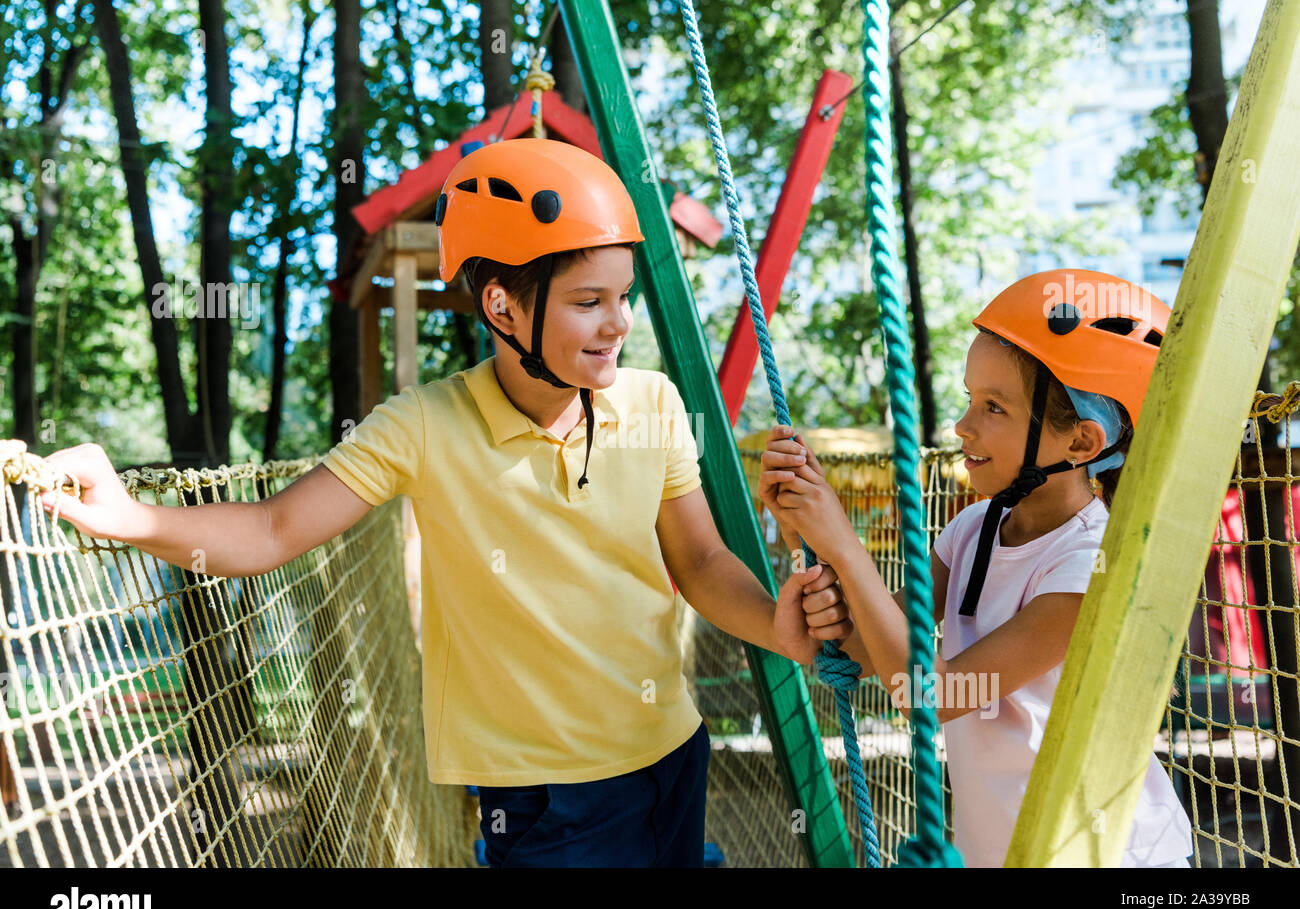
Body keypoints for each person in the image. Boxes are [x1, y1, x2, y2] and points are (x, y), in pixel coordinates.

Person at [38, 137, 851, 868]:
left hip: (671, 751)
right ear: (501, 305)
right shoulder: (423, 426)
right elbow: (273, 526)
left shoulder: (655, 403)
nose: (618, 323)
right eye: (588, 301)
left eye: (623, 295)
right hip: (543, 795)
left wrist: (774, 625)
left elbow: (703, 562)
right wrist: (130, 516)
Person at [758, 269, 1195, 867]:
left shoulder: (1091, 566)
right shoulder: (972, 528)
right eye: (969, 397)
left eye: (994, 407)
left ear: (1082, 444)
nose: (963, 426)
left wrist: (845, 549)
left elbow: (930, 694)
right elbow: (879, 652)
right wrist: (809, 540)